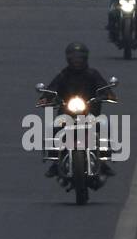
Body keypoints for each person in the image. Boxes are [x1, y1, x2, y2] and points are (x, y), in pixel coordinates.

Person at [38, 42, 116, 178]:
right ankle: (54, 161)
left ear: (85, 58)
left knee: (104, 124)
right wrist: (46, 97)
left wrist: (107, 94)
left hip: (90, 114)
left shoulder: (93, 74)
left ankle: (104, 159)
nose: (77, 60)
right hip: (66, 115)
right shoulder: (63, 74)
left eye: (80, 57)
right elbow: (51, 88)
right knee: (53, 126)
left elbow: (104, 88)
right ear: (68, 58)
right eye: (74, 57)